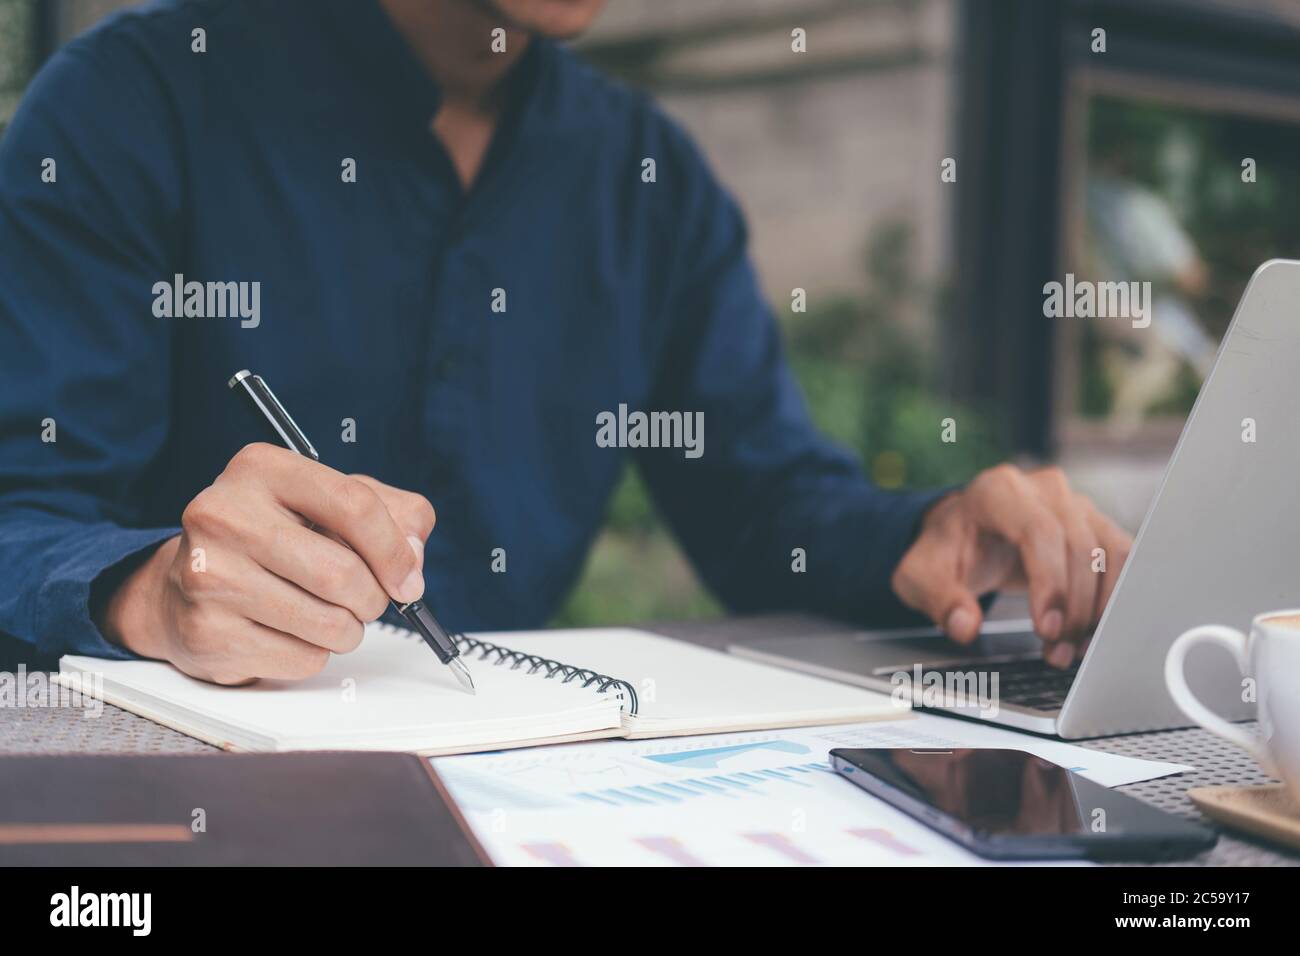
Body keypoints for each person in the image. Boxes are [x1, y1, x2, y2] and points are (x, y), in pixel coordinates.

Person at [0, 0, 1130, 685]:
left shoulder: (648, 179)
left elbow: (763, 507)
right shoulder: (129, 106)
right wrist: (146, 592)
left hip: (522, 786)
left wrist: (925, 532)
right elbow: (20, 513)